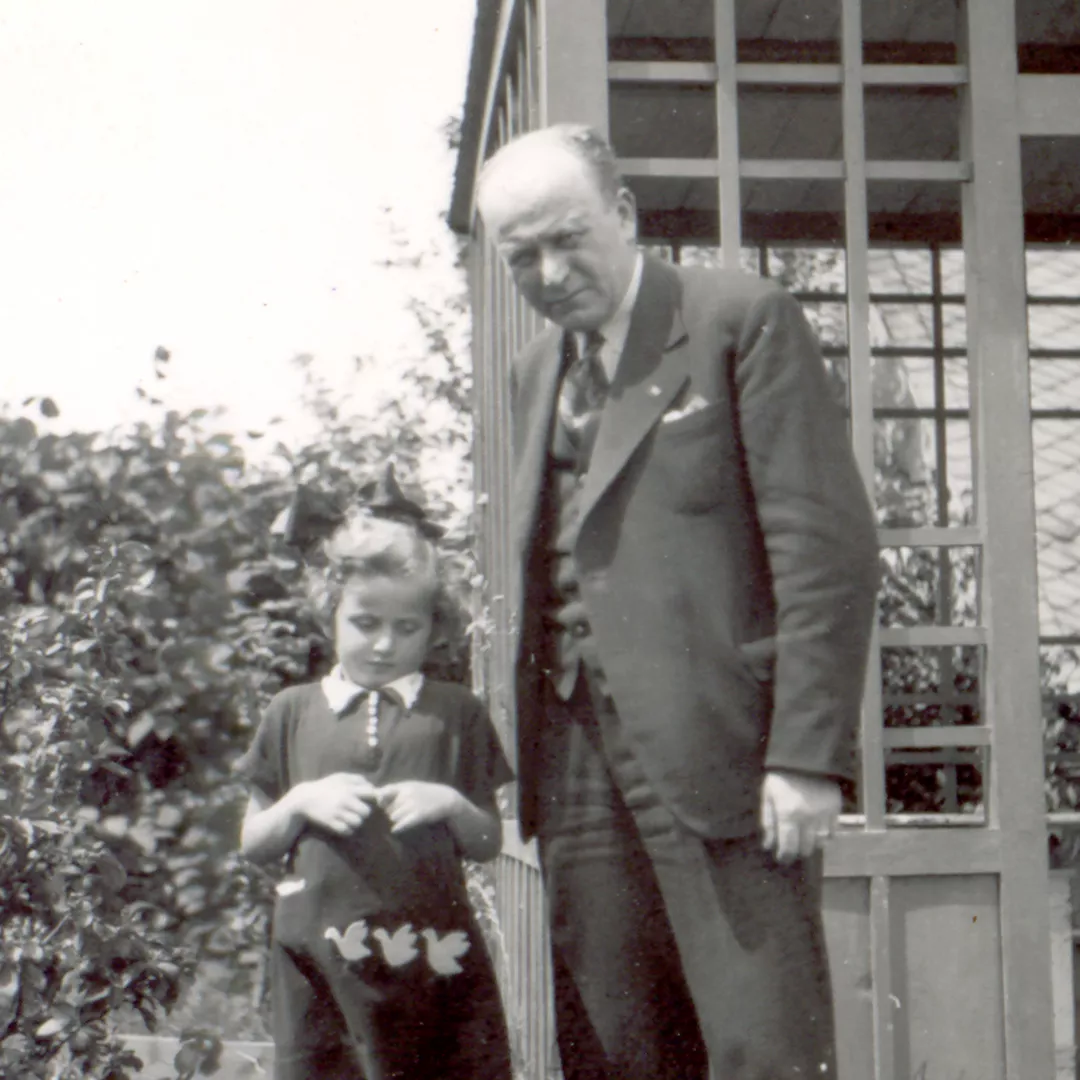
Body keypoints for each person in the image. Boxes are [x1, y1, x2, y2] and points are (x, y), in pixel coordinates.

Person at [476, 123, 880, 1079]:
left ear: (623, 214)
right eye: (520, 253)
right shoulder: (536, 374)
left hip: (723, 753)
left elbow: (827, 550)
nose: (549, 268)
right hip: (573, 759)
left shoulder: (738, 319)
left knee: (760, 1043)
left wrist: (808, 754)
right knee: (614, 1043)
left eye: (568, 235)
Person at [237, 466, 514, 1080]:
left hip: (429, 962)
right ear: (330, 612)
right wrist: (301, 800)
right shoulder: (293, 712)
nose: (385, 644)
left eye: (406, 627)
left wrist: (448, 801)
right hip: (319, 960)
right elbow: (254, 843)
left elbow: (488, 841)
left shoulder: (454, 712)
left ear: (433, 628)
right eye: (365, 623)